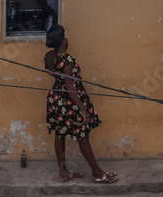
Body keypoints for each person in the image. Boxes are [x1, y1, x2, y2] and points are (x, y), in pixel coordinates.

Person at [44, 25, 117, 183]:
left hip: (55, 99)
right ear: (63, 40)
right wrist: (82, 109)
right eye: (65, 36)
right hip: (70, 102)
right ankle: (97, 173)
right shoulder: (66, 60)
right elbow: (70, 87)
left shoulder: (49, 56)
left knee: (60, 134)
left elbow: (58, 78)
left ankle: (63, 173)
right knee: (82, 135)